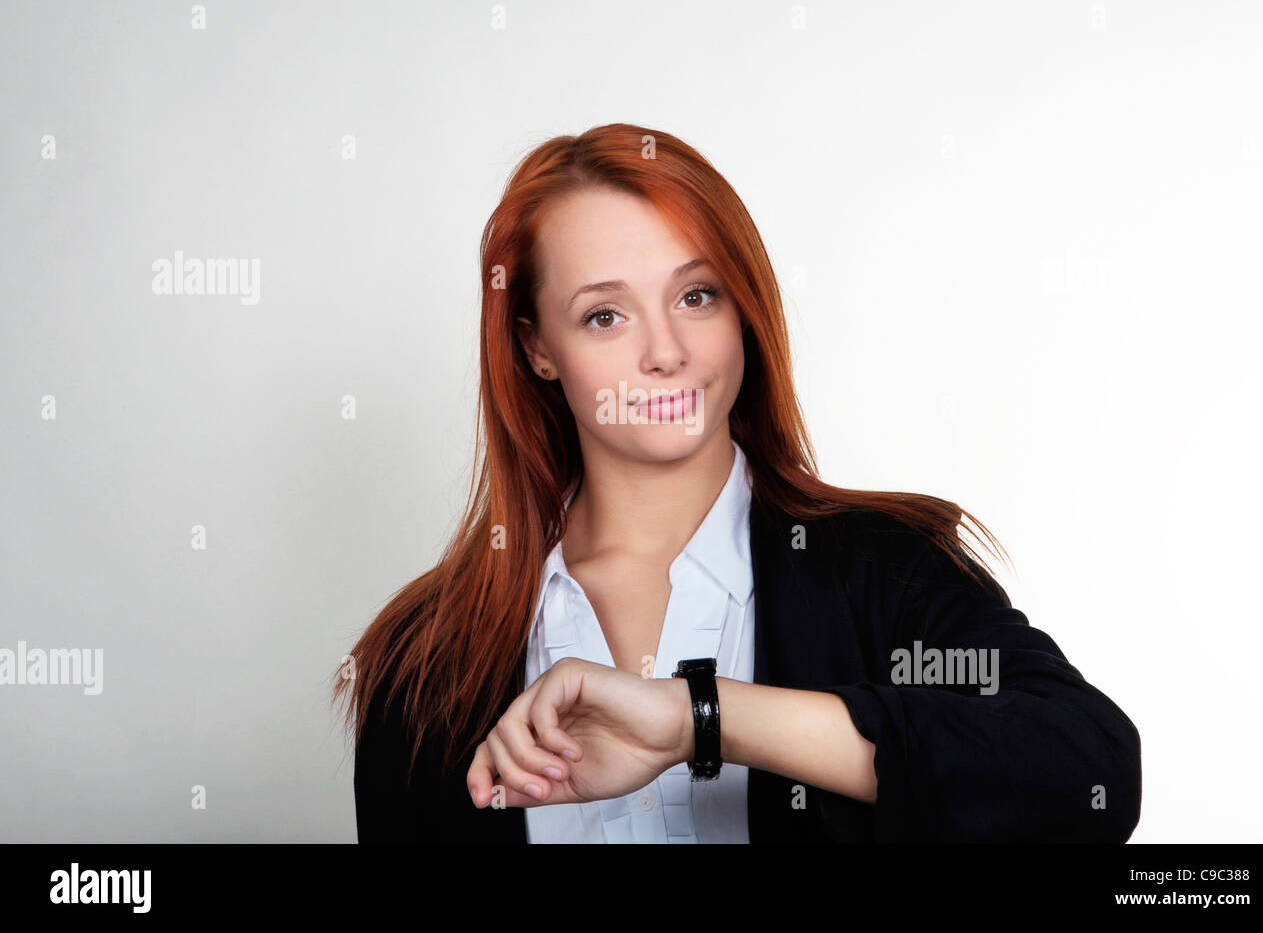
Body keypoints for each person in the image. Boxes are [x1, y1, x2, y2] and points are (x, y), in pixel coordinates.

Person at [334, 123, 1142, 843]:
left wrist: (702, 719)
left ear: (742, 309)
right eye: (604, 315)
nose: (665, 351)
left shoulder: (887, 571)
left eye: (696, 295)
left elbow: (1087, 774)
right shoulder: (426, 663)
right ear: (538, 348)